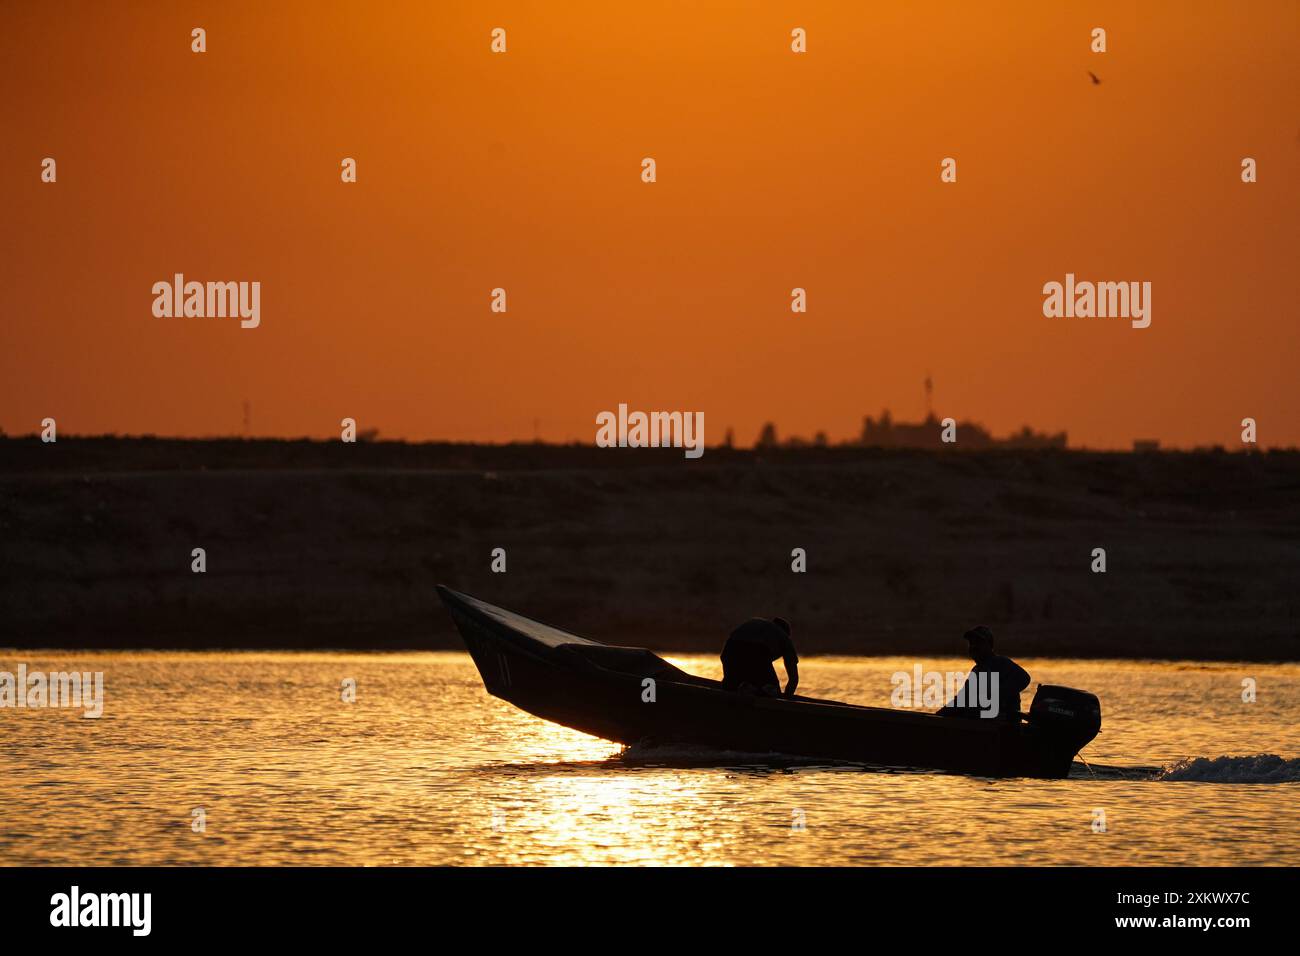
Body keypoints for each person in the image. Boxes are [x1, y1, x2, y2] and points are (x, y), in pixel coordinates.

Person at [936, 625, 1030, 721]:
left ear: (989, 645)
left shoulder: (1000, 662)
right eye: (971, 643)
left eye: (978, 643)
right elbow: (962, 699)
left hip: (1001, 725)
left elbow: (1024, 678)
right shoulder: (977, 670)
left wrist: (994, 696)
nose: (973, 646)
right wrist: (938, 716)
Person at [721, 616, 799, 697]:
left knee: (731, 686)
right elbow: (794, 679)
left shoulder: (758, 624)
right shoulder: (785, 639)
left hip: (730, 649)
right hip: (755, 651)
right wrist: (786, 700)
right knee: (771, 689)